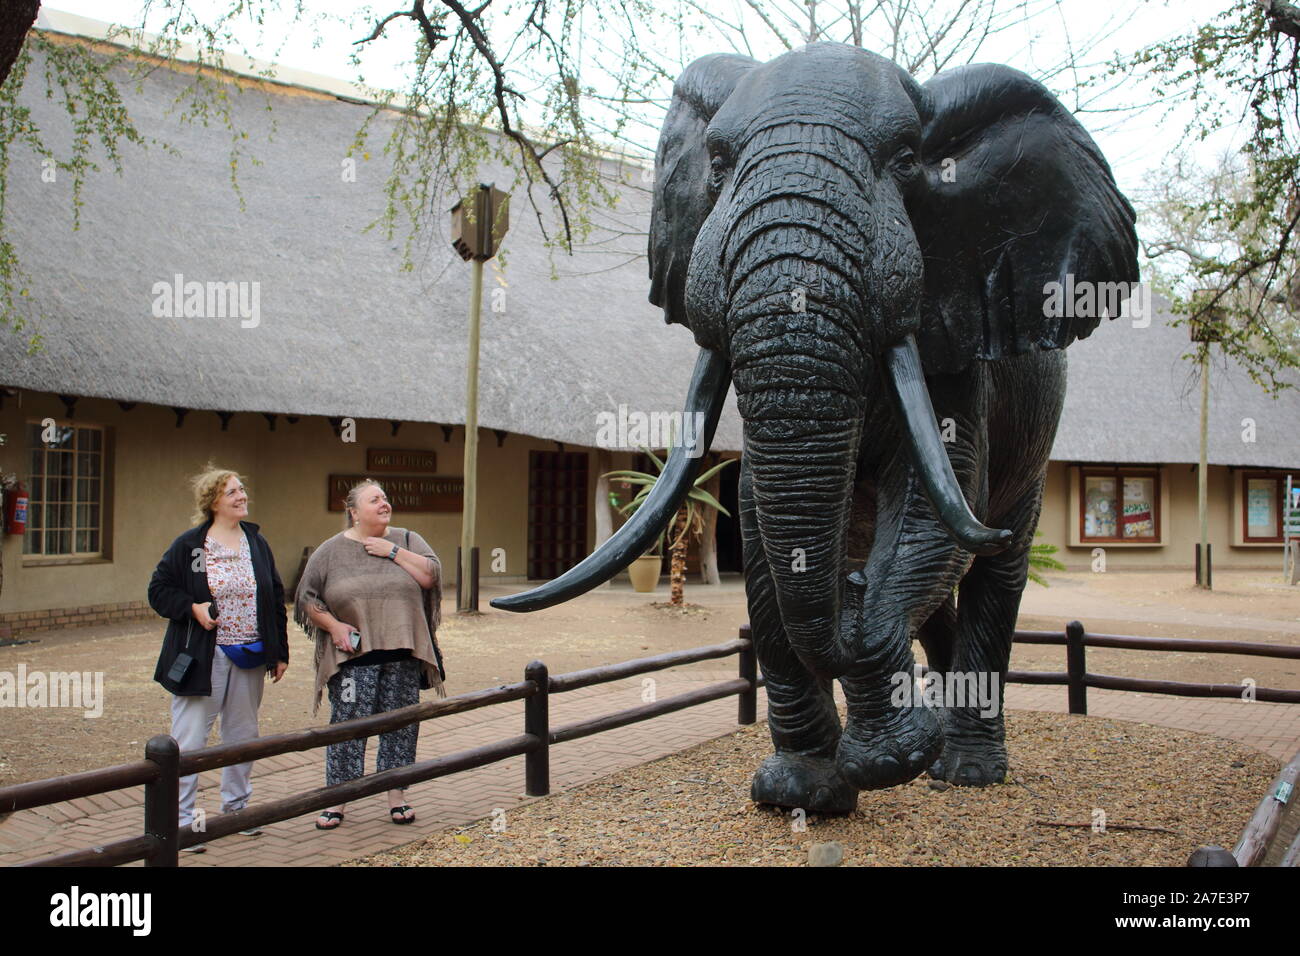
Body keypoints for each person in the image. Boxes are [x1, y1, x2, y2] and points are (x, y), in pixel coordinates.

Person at [148, 468, 289, 852]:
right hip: (201, 658)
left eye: (242, 488)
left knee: (242, 736)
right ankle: (183, 824)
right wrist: (191, 607)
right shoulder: (191, 546)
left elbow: (275, 597)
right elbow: (158, 590)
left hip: (249, 655)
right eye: (232, 491)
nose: (242, 495)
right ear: (214, 501)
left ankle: (236, 811)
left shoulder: (256, 543)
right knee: (190, 741)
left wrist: (279, 652)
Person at [294, 479, 445, 830]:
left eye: (385, 498)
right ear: (353, 512)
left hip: (403, 656)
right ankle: (337, 801)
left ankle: (397, 797)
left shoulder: (408, 539)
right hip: (353, 659)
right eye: (374, 500)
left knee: (400, 728)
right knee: (348, 728)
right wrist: (333, 626)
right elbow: (306, 597)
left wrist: (391, 552)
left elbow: (431, 574)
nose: (384, 504)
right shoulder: (331, 551)